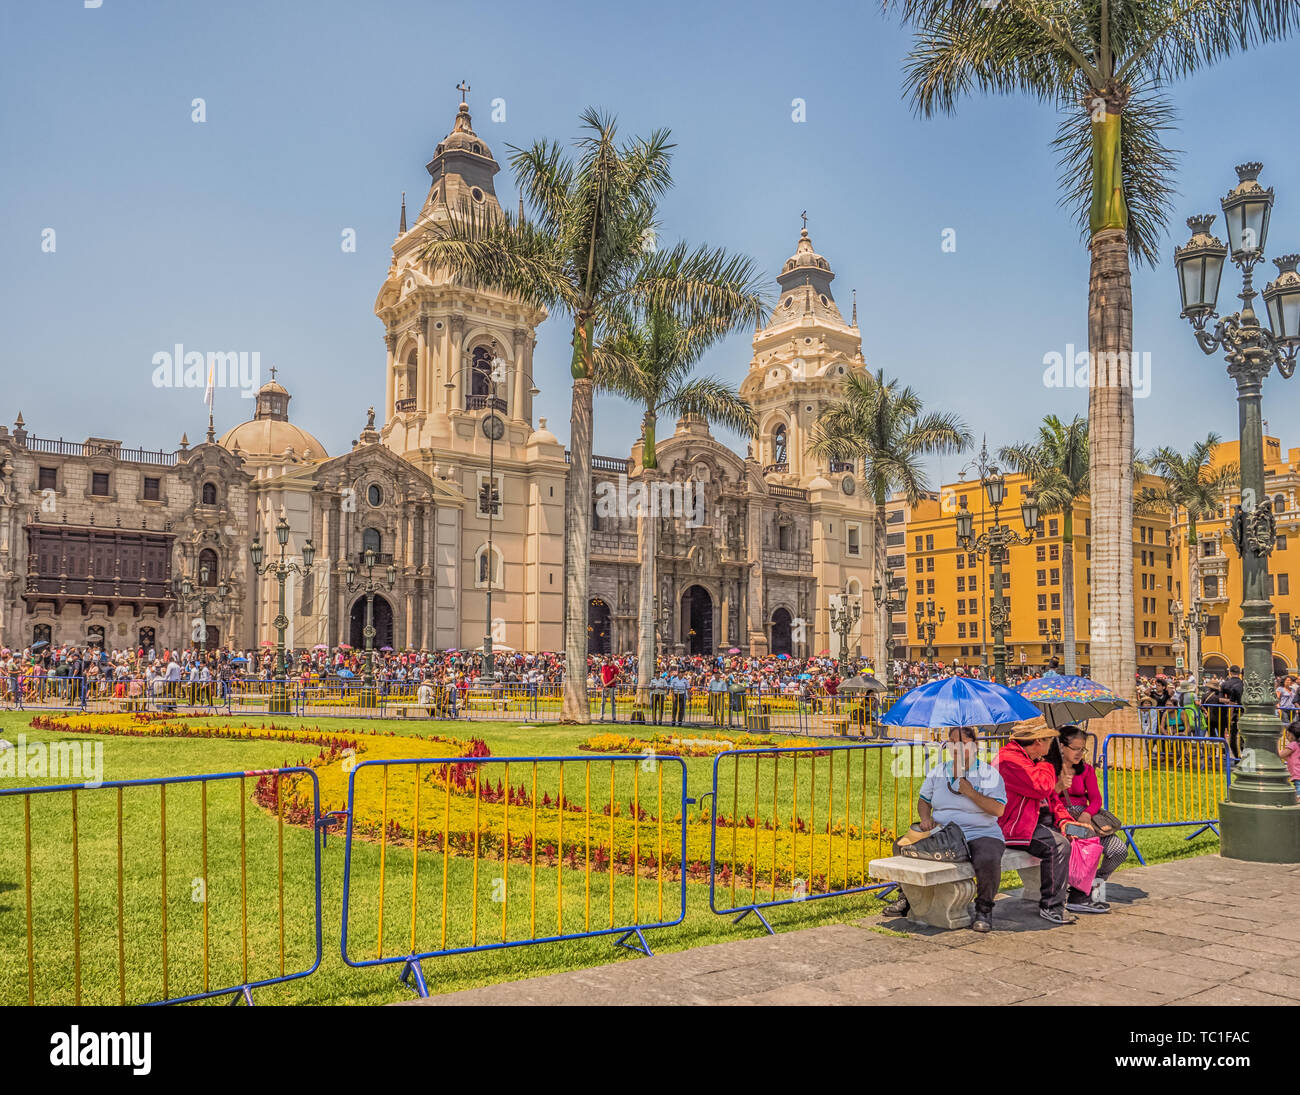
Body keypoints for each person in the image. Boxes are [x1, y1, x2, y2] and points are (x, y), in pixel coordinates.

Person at [884, 726, 1007, 932]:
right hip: (942, 832)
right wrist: (925, 818)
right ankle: (908, 897)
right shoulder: (939, 771)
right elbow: (924, 800)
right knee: (901, 845)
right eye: (952, 742)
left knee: (988, 857)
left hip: (978, 832)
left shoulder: (988, 773)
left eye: (964, 743)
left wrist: (970, 793)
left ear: (975, 746)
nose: (957, 747)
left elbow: (998, 809)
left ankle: (984, 909)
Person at [996, 721, 1080, 925]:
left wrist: (1064, 820)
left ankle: (1082, 897)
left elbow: (1051, 799)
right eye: (1050, 740)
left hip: (1036, 821)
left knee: (1088, 836)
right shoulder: (1010, 760)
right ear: (1039, 741)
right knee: (1058, 846)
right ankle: (1052, 906)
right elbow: (1041, 787)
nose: (1052, 744)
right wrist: (1048, 765)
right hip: (1014, 827)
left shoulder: (1030, 760)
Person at [1046, 724, 1129, 912]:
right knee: (1086, 843)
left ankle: (1093, 884)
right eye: (1075, 749)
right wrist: (1058, 787)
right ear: (1061, 746)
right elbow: (1044, 798)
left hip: (1087, 818)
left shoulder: (1086, 770)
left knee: (1118, 851)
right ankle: (1079, 894)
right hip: (1060, 819)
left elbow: (1096, 798)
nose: (1079, 753)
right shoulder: (1047, 768)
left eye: (1083, 749)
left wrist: (1087, 813)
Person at [1220, 665, 1244, 758]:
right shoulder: (1242, 685)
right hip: (1243, 711)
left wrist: (1230, 702)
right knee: (1243, 736)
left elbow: (1221, 699)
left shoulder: (1225, 684)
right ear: (1239, 673)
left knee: (1233, 735)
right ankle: (1244, 755)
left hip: (1231, 711)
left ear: (1230, 672)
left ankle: (1236, 756)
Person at [1279, 725, 1300, 803]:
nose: (1286, 735)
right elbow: (1289, 758)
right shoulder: (1298, 744)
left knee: (1298, 791)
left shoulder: (1293, 744)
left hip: (1297, 774)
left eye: (1287, 733)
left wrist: (1274, 748)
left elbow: (1281, 755)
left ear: (1292, 735)